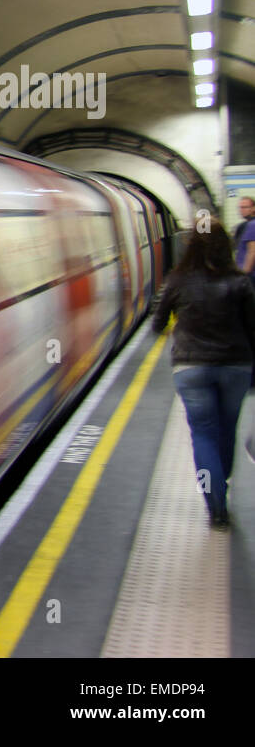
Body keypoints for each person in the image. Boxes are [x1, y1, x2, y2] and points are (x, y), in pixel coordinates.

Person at [152, 221, 255, 529]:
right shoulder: (239, 282)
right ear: (226, 247)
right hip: (235, 366)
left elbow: (157, 324)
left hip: (191, 367)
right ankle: (221, 484)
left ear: (191, 246)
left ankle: (216, 507)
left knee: (203, 434)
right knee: (227, 430)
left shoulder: (177, 280)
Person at [236, 196, 255, 276]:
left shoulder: (252, 225)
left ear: (253, 208)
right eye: (240, 207)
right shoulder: (244, 225)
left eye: (245, 207)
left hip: (249, 275)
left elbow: (252, 251)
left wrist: (245, 272)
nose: (241, 210)